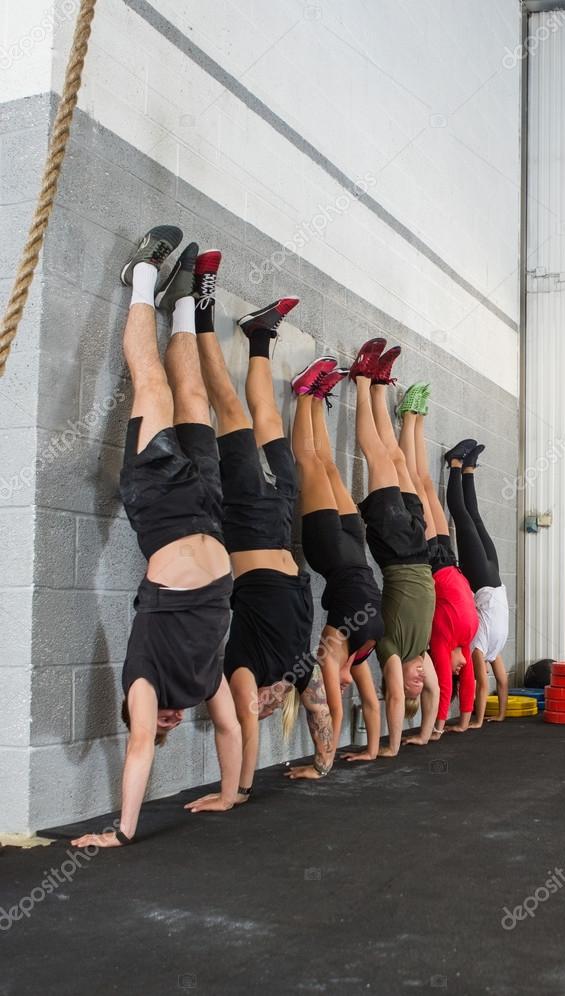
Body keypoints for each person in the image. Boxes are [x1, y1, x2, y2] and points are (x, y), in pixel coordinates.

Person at [72, 227, 241, 849]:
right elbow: (230, 726)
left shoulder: (142, 679)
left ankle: (141, 277)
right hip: (209, 514)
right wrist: (230, 793)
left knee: (151, 385)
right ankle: (185, 306)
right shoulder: (202, 682)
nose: (167, 720)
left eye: (160, 722)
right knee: (193, 396)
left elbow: (140, 748)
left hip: (163, 509)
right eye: (173, 725)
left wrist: (121, 831)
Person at [192, 265, 338, 792]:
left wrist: (237, 794)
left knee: (229, 410)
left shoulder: (243, 668)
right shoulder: (299, 668)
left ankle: (197, 308)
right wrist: (321, 763)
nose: (258, 702)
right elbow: (324, 716)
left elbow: (246, 729)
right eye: (269, 704)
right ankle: (260, 337)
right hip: (279, 525)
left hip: (249, 528)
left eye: (256, 702)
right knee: (270, 421)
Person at [346, 338, 439, 756]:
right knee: (399, 463)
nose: (420, 681)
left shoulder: (392, 650)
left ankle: (362, 382)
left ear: (394, 679)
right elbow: (436, 692)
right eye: (423, 684)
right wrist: (426, 732)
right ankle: (381, 387)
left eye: (412, 684)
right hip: (418, 547)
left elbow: (398, 699)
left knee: (378, 457)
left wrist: (393, 746)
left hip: (396, 552)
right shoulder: (422, 651)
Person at [291, 358, 385, 763]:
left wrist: (324, 763)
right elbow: (373, 704)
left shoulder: (332, 648)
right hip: (356, 545)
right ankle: (318, 396)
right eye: (346, 685)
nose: (342, 686)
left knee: (309, 464)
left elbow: (330, 708)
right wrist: (373, 751)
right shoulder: (362, 655)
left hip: (328, 549)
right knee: (329, 466)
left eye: (338, 685)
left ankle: (302, 396)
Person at [396, 391, 478, 737]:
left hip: (432, 562)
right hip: (451, 560)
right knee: (427, 483)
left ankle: (408, 420)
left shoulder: (442, 643)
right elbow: (471, 684)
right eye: (464, 670)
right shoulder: (469, 640)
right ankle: (418, 420)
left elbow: (444, 685)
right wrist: (468, 720)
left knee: (414, 484)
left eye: (459, 671)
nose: (463, 669)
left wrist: (441, 727)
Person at [444, 438, 510, 725]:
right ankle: (469, 470)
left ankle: (454, 464)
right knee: (477, 520)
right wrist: (503, 714)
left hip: (481, 581)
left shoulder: (477, 647)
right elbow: (502, 684)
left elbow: (483, 685)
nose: (478, 670)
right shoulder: (494, 653)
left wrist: (479, 720)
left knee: (463, 518)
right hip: (495, 579)